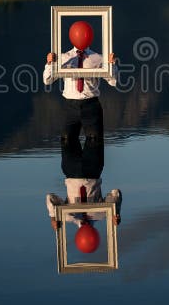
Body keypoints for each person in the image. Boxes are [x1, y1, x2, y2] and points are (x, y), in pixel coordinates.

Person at [43, 22, 121, 230]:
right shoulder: (64, 57)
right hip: (70, 106)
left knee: (95, 142)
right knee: (67, 140)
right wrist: (50, 63)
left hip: (90, 106)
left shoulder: (97, 58)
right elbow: (47, 80)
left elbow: (113, 81)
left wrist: (112, 64)